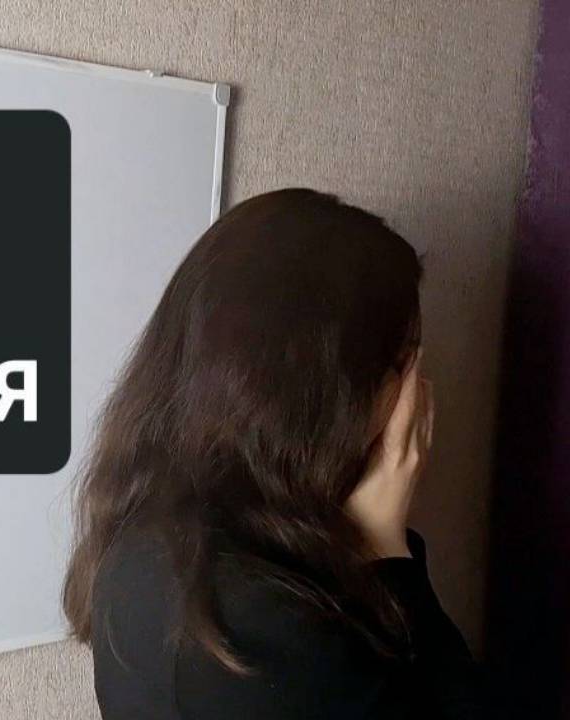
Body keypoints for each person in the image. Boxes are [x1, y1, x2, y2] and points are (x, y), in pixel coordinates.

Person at [62, 189, 479, 719]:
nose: (416, 396)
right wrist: (386, 555)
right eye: (406, 363)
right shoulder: (278, 633)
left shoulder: (145, 544)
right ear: (330, 395)